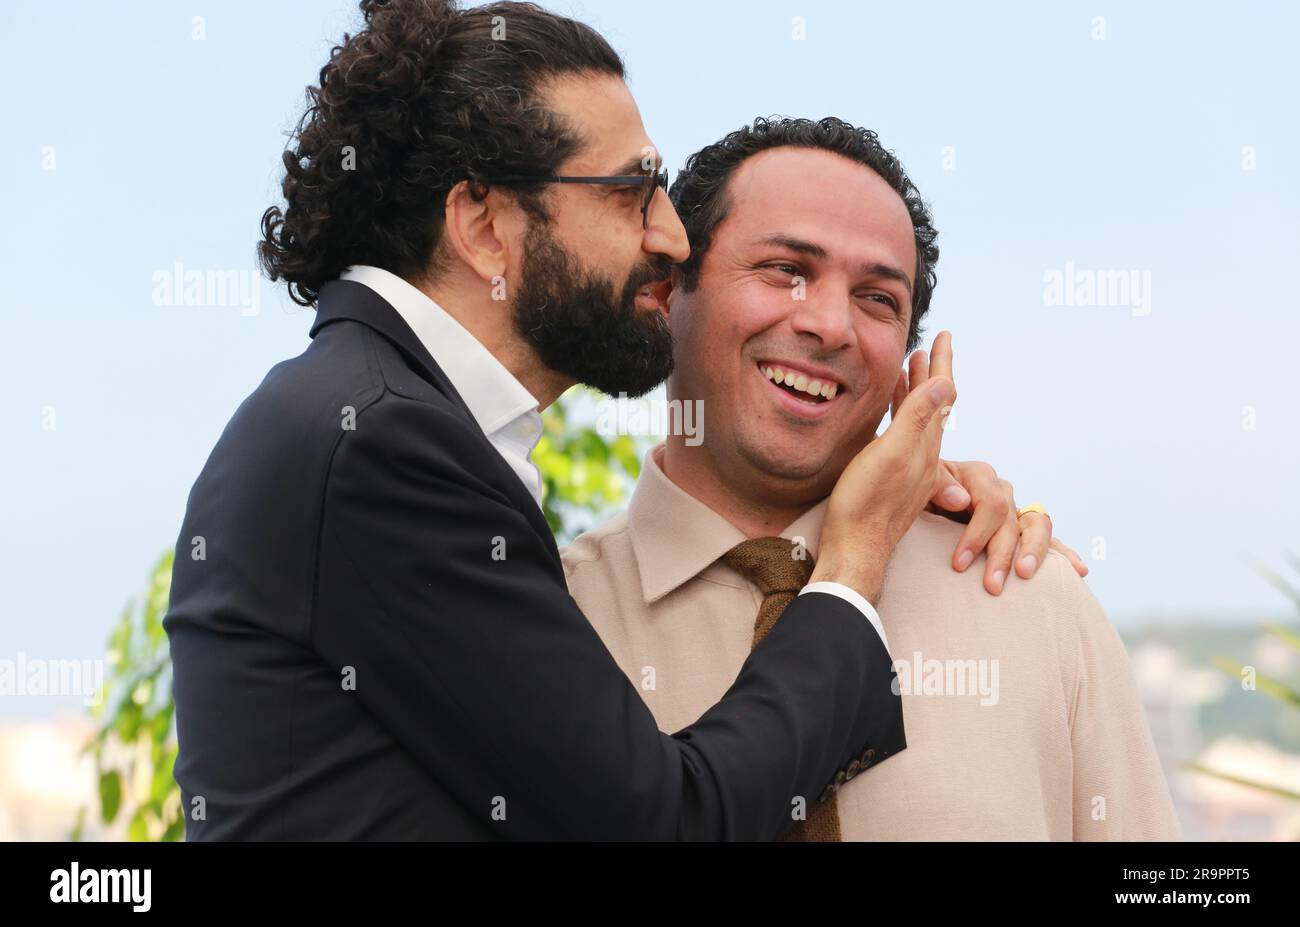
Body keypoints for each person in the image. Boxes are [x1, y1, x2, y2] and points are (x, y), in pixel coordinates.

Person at [162, 0, 1039, 841]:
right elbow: (662, 824)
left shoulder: (365, 416)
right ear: (482, 222)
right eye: (632, 193)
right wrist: (852, 565)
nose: (672, 238)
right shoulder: (382, 445)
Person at [563, 117, 1180, 840]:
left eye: (878, 299)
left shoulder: (1035, 603)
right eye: (786, 270)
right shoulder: (548, 619)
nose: (830, 325)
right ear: (667, 292)